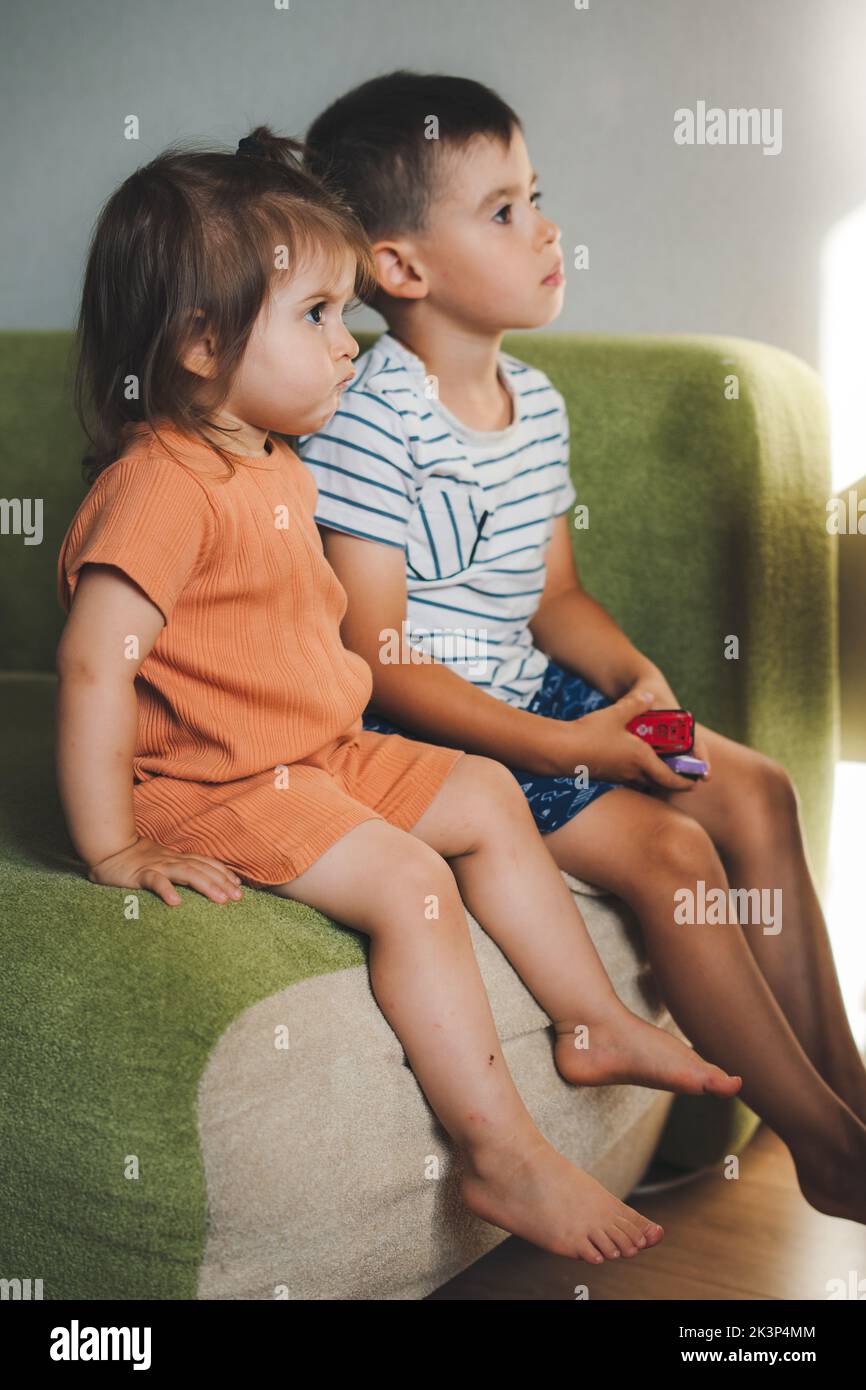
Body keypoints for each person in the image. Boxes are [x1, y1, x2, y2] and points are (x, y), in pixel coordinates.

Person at [54, 127, 740, 1267]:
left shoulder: (272, 456)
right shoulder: (156, 485)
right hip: (211, 782)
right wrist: (113, 847)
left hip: (315, 748)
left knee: (481, 793)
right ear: (197, 342)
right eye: (317, 316)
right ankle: (498, 1152)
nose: (348, 340)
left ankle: (591, 1020)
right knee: (413, 879)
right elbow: (92, 666)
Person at [297, 70, 866, 1225]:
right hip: (446, 719)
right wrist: (573, 741)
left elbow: (553, 594)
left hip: (549, 687)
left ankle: (847, 1092)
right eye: (502, 209)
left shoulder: (536, 401)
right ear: (400, 268)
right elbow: (382, 658)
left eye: (535, 194)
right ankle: (829, 1150)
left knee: (749, 787)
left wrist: (628, 679)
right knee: (672, 857)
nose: (545, 226)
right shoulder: (370, 414)